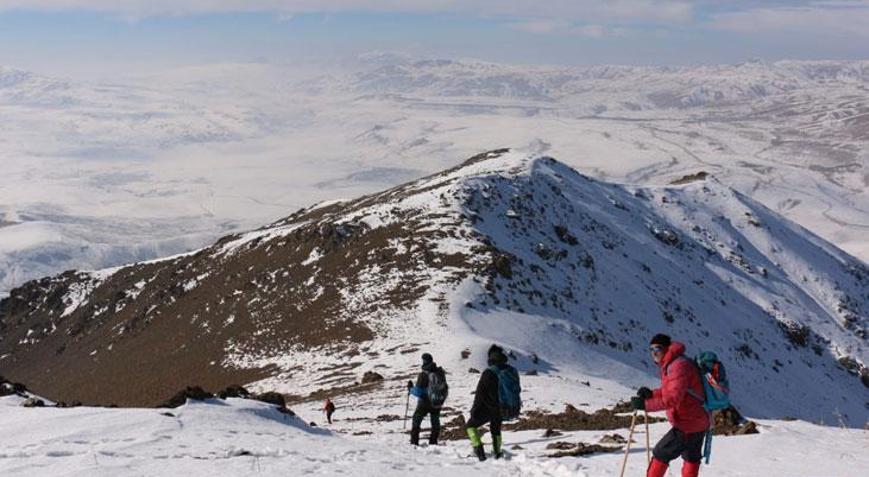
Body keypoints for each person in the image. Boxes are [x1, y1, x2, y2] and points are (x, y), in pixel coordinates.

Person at [632, 334, 710, 477]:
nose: (654, 352)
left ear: (667, 348)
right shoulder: (674, 363)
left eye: (658, 348)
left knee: (660, 454)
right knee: (691, 458)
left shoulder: (678, 365)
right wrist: (652, 394)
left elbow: (673, 398)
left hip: (688, 423)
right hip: (699, 420)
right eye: (651, 349)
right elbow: (672, 390)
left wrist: (645, 405)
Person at [466, 344, 511, 461]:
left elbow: (480, 394)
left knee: (470, 426)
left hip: (488, 408)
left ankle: (479, 451)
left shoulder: (488, 373)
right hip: (503, 407)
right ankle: (497, 453)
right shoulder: (508, 371)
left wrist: (474, 410)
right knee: (495, 429)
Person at [407, 353, 447, 446]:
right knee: (435, 421)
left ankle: (414, 442)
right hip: (437, 401)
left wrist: (410, 388)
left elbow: (419, 392)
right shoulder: (440, 372)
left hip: (424, 402)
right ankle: (433, 442)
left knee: (416, 419)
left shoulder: (423, 374)